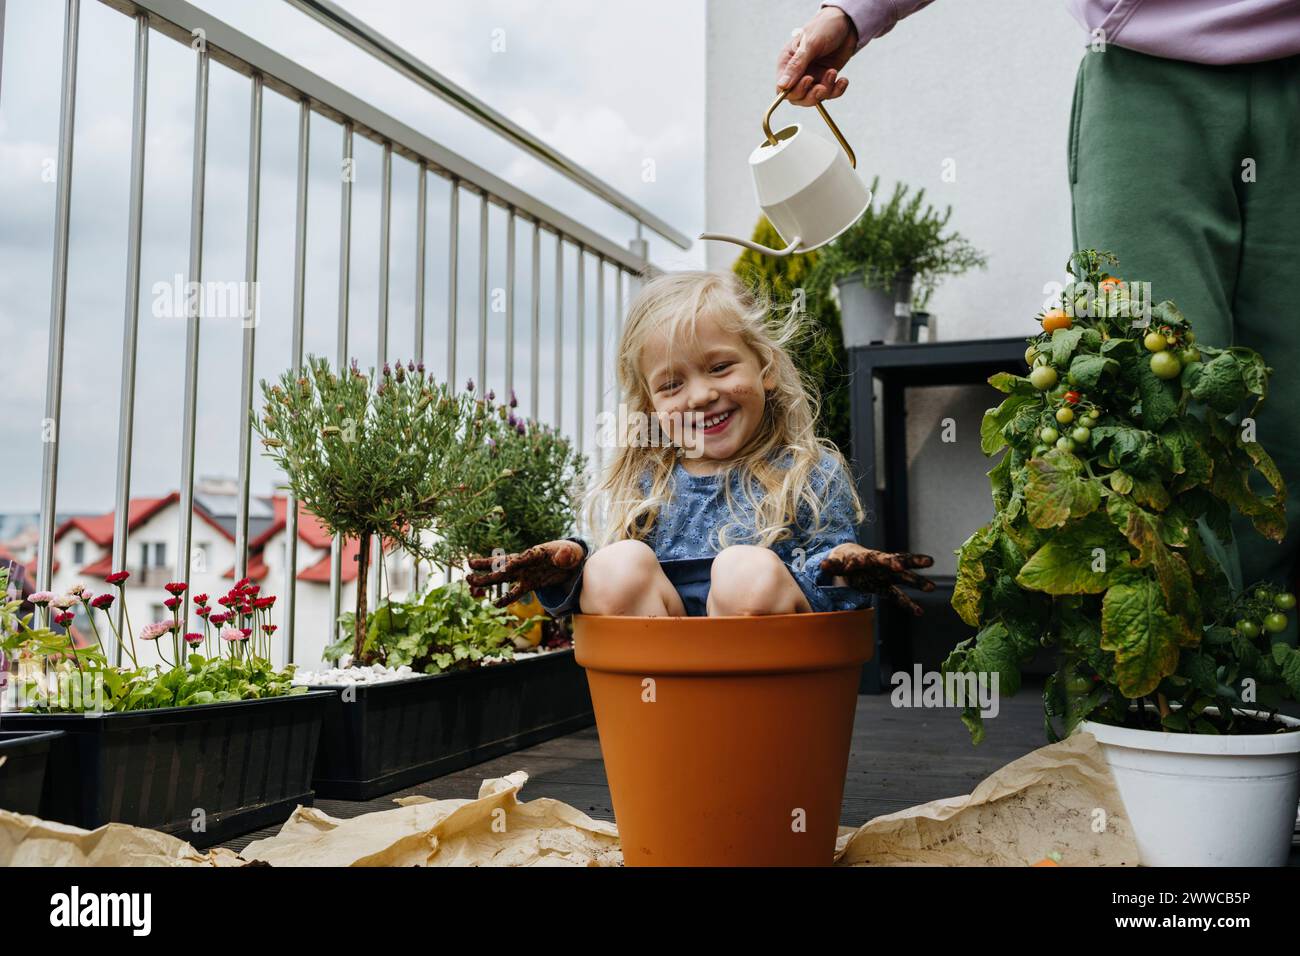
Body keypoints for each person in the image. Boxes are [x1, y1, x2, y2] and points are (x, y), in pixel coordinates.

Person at [778, 0, 1300, 620]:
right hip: (1149, 71)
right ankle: (1190, 690)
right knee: (1160, 407)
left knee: (1288, 410)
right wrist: (859, 13)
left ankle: (1271, 678)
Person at [466, 271, 934, 617]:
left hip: (775, 688)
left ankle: (745, 742)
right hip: (669, 686)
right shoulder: (647, 481)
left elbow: (831, 581)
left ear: (765, 368)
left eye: (719, 367)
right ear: (650, 406)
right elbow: (609, 568)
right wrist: (571, 562)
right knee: (616, 564)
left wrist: (845, 565)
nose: (701, 395)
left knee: (744, 572)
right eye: (671, 385)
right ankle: (667, 734)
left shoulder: (807, 472)